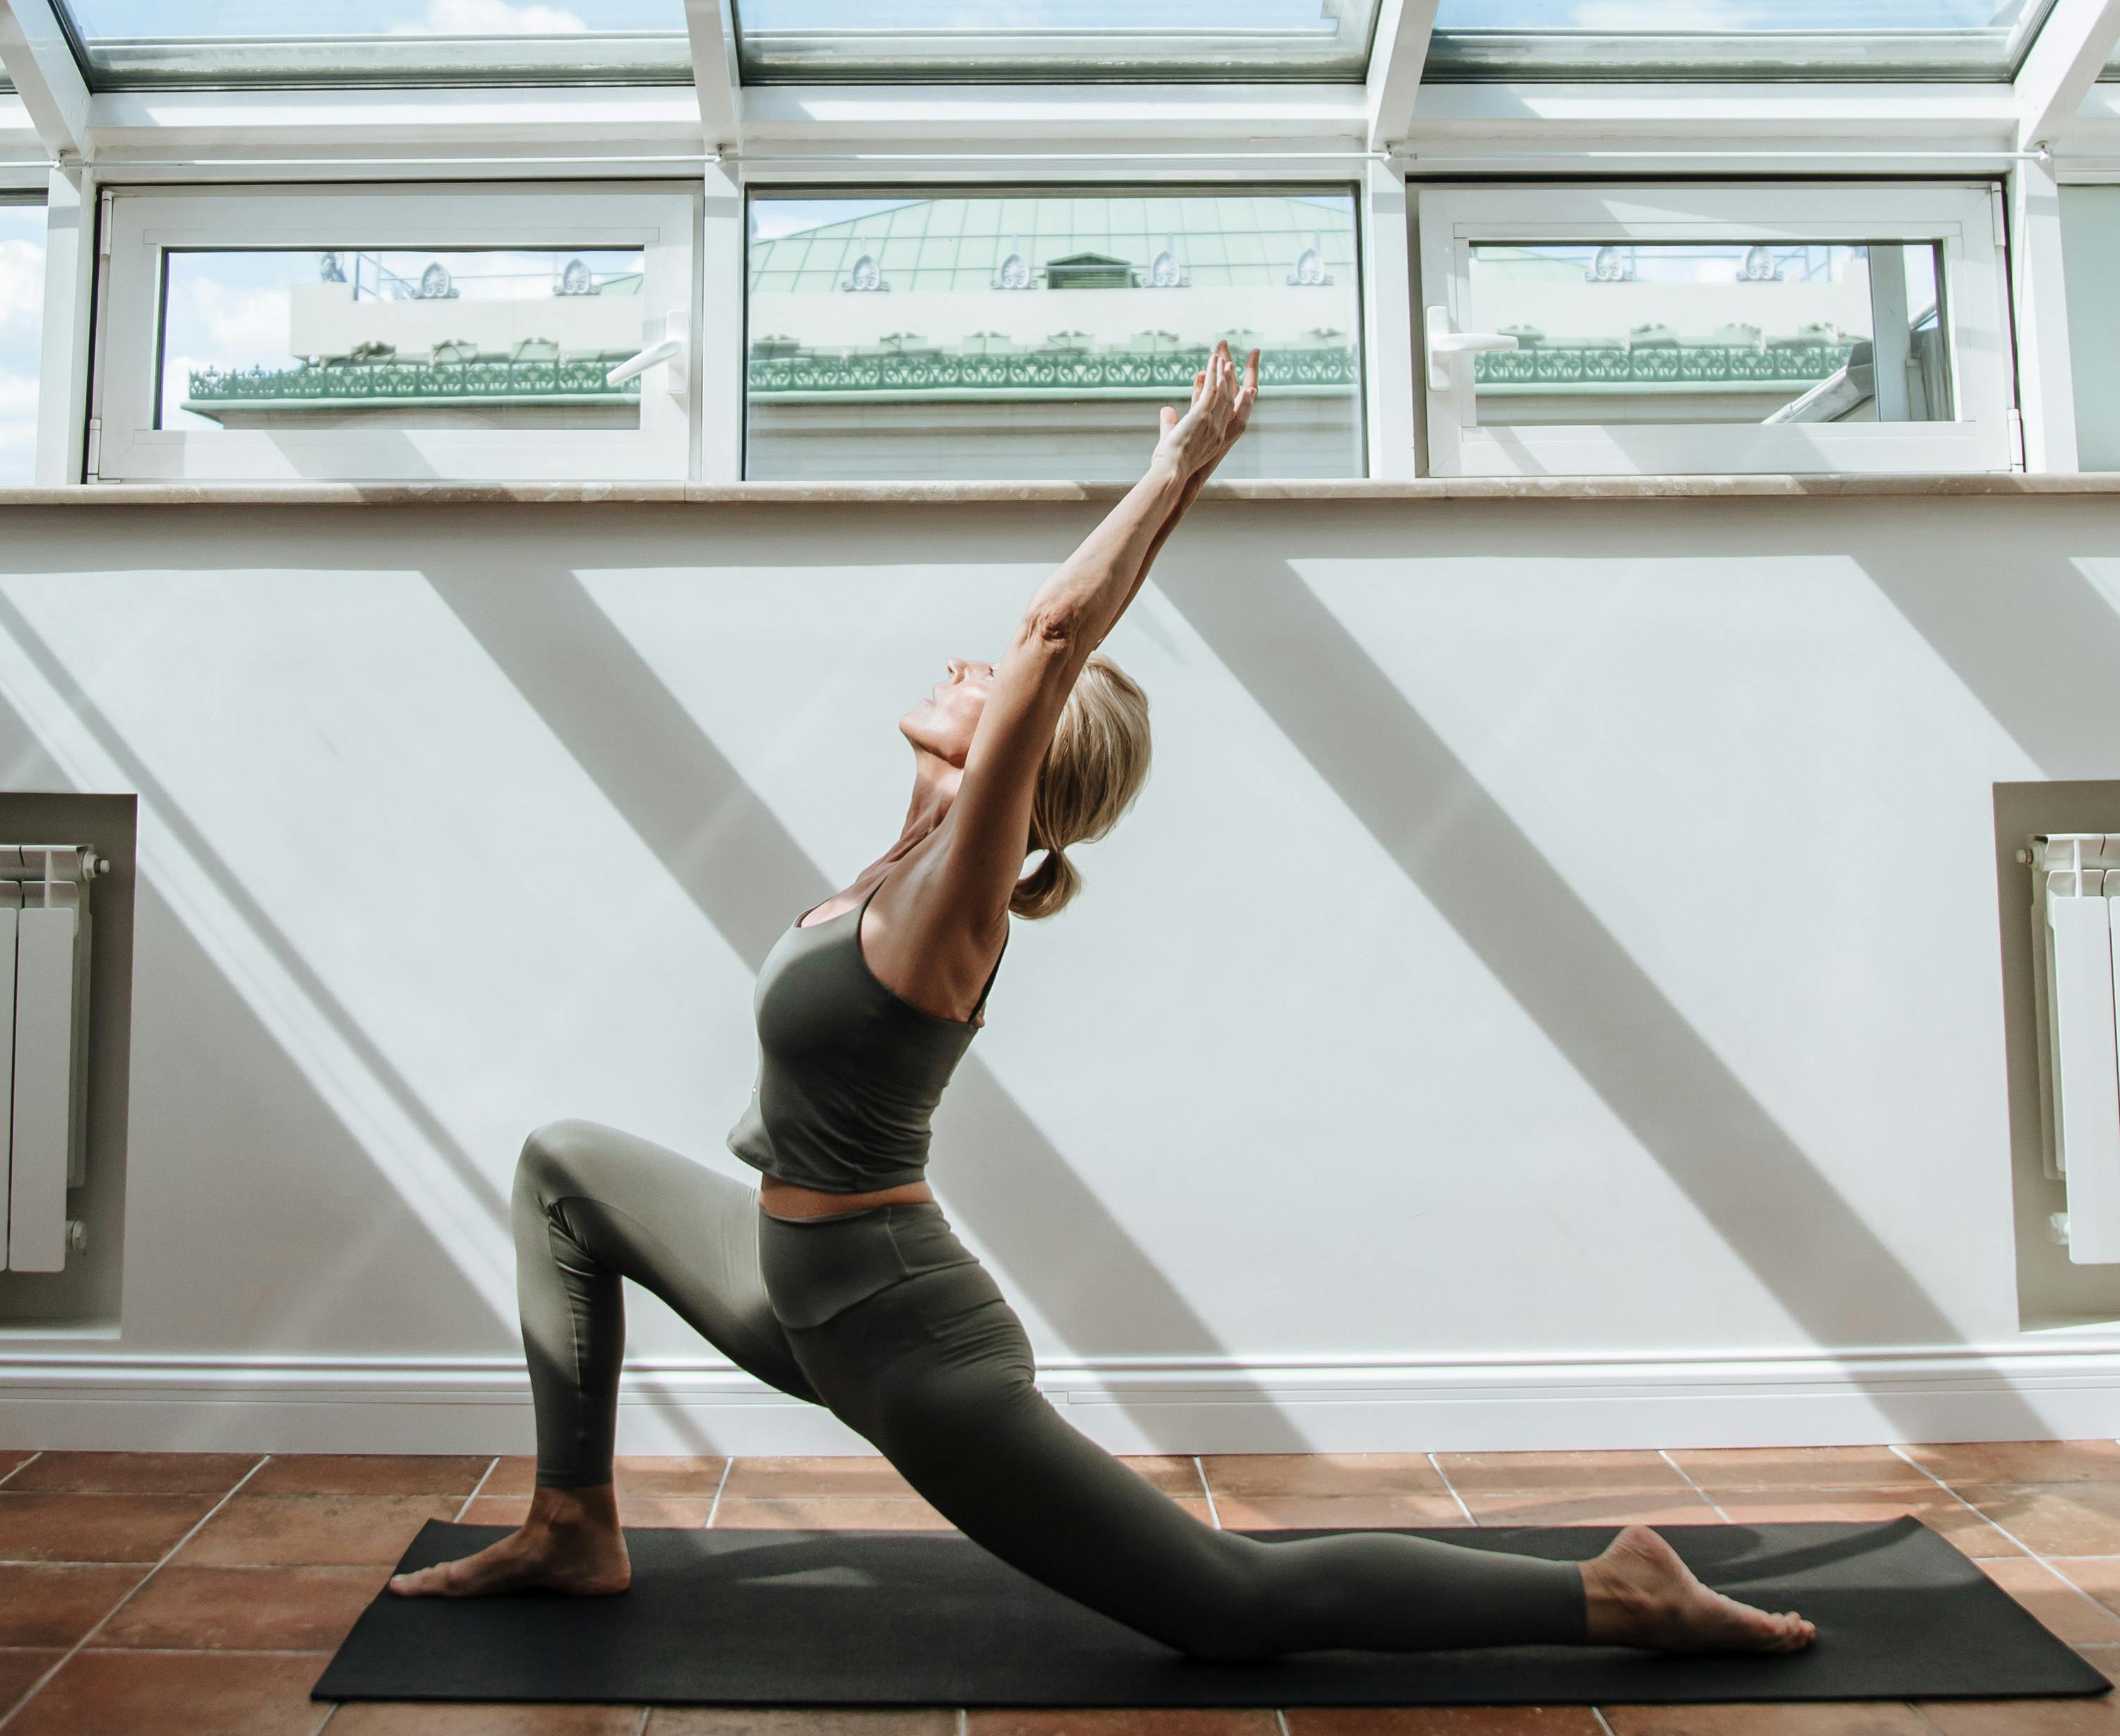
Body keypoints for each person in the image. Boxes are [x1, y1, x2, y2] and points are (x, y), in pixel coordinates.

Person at [396, 343, 1813, 1663]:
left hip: (900, 1339)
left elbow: (1054, 628)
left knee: (1225, 1607)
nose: (966, 666)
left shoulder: (958, 891)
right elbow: (1032, 663)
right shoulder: (902, 851)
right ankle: (574, 1526)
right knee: (563, 1166)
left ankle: (1611, 1587)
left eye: (993, 683)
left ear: (1028, 744)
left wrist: (1183, 464)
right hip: (789, 1285)